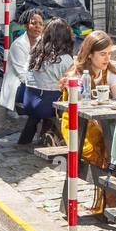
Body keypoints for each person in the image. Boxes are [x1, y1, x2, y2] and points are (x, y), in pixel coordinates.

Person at [17, 17, 74, 146]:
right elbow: (72, 86)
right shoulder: (65, 60)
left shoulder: (34, 54)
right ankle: (56, 136)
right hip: (47, 106)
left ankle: (35, 136)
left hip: (28, 102)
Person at [0, 9, 45, 114]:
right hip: (19, 85)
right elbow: (22, 74)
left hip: (35, 80)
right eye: (33, 23)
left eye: (41, 24)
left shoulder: (42, 41)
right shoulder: (18, 45)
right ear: (26, 26)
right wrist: (41, 83)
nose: (38, 26)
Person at [65, 30, 116, 102]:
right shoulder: (76, 77)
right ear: (89, 54)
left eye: (109, 53)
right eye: (103, 54)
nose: (107, 58)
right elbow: (76, 105)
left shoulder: (111, 74)